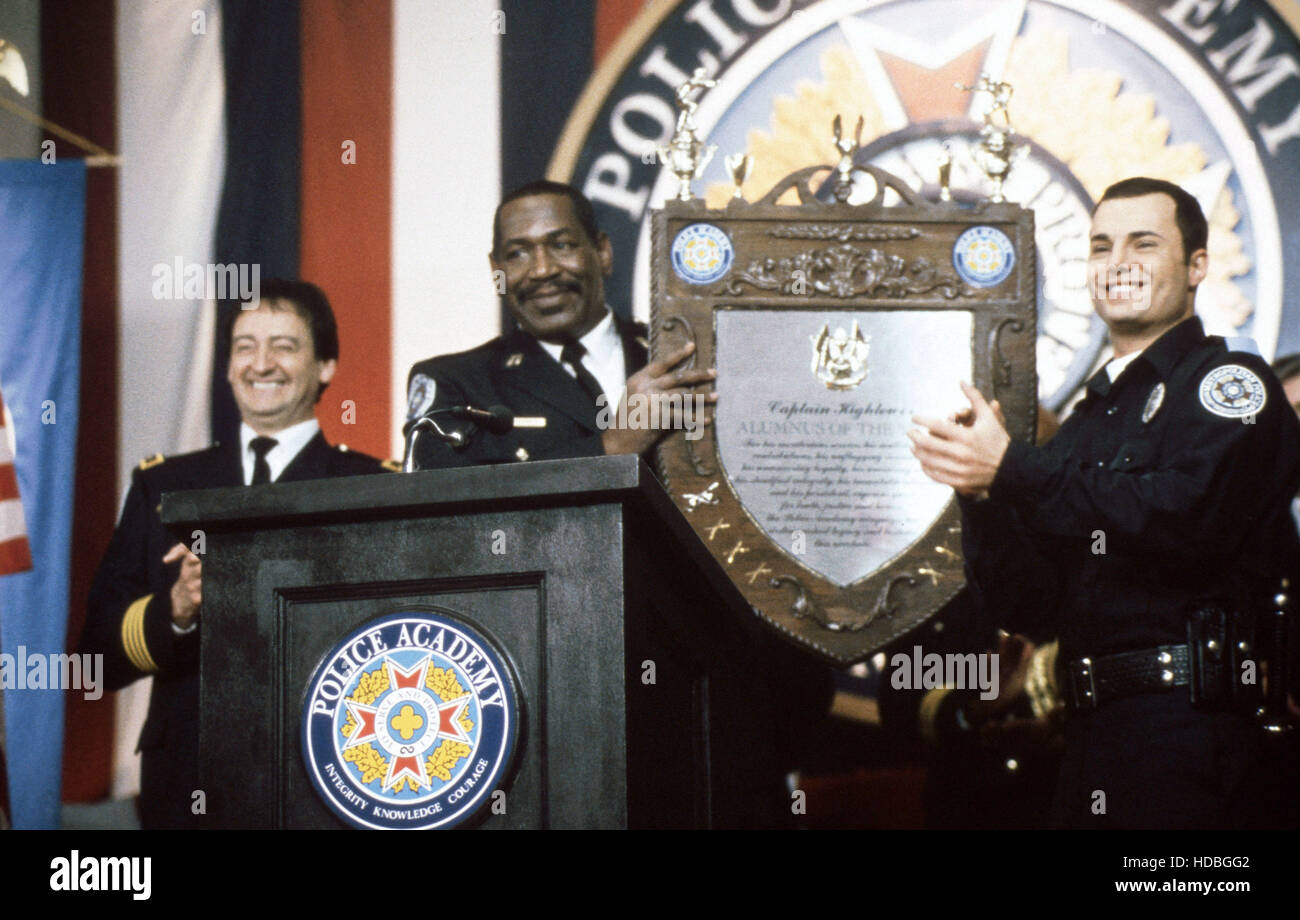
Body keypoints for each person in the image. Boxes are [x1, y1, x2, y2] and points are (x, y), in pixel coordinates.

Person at [909, 177, 1300, 829]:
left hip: (1194, 742)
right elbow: (1030, 604)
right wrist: (979, 494)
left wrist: (1011, 469)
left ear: (1197, 264)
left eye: (1143, 243)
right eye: (1100, 246)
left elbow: (1184, 515)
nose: (1117, 262)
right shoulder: (1087, 421)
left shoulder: (1231, 382)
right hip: (1090, 750)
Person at [80, 279, 394, 829]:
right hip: (188, 782)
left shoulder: (371, 486)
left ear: (326, 366)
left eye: (284, 346)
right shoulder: (164, 486)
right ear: (227, 366)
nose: (261, 363)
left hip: (328, 777)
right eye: (245, 346)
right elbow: (95, 661)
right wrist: (174, 611)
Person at [404, 179, 715, 468]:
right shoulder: (456, 384)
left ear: (603, 253)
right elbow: (443, 506)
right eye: (517, 254)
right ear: (496, 272)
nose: (541, 270)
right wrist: (614, 445)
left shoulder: (683, 359)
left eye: (562, 245)